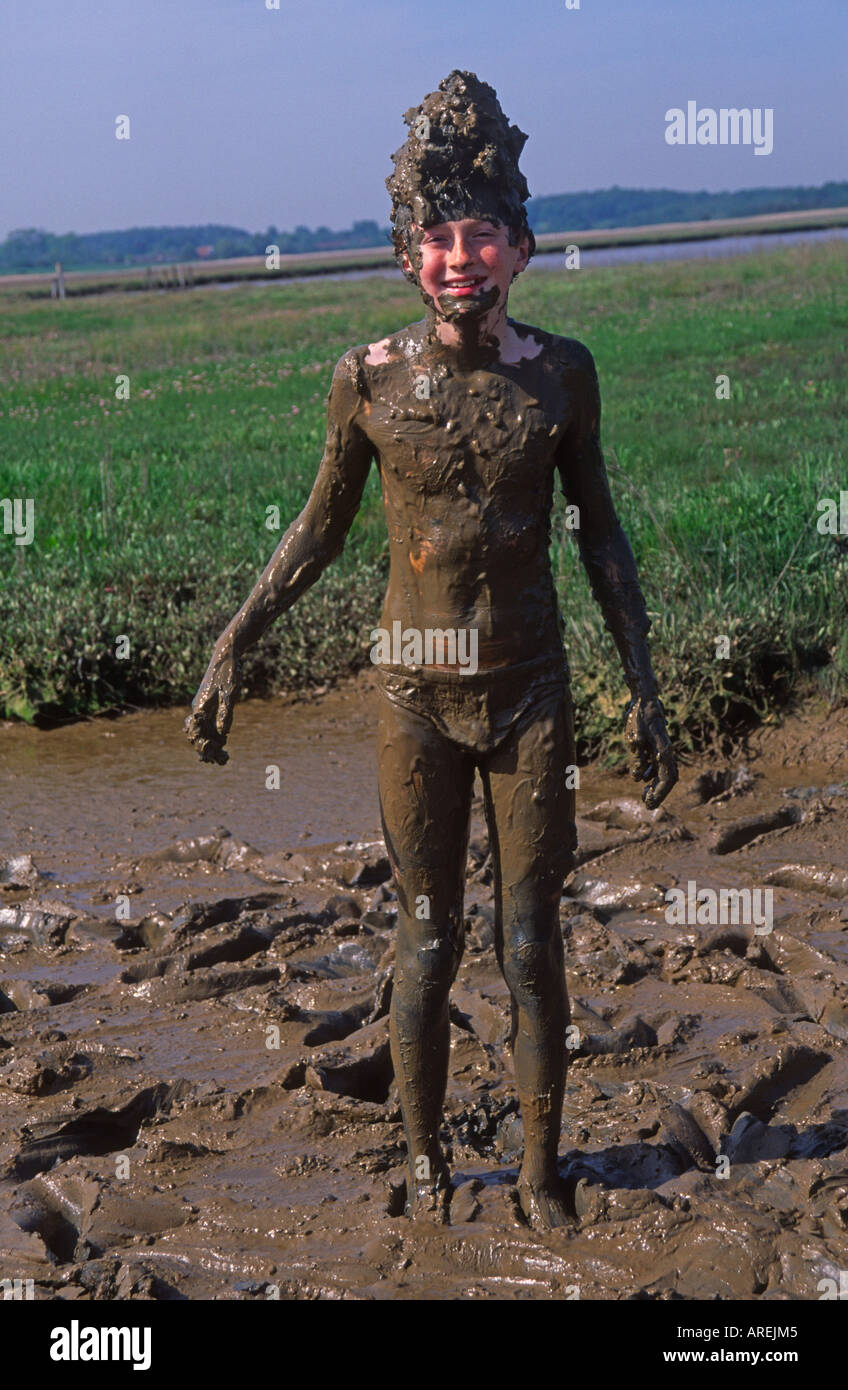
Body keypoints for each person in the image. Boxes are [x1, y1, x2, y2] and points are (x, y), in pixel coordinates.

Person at [185, 70, 678, 1229]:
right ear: (409, 253)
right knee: (423, 935)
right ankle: (420, 1163)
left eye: (482, 235)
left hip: (529, 690)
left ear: (519, 248)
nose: (460, 257)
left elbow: (596, 530)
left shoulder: (560, 374)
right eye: (437, 236)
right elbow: (316, 528)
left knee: (528, 936)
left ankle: (540, 1174)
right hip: (411, 693)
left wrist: (644, 681)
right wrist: (231, 644)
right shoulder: (366, 379)